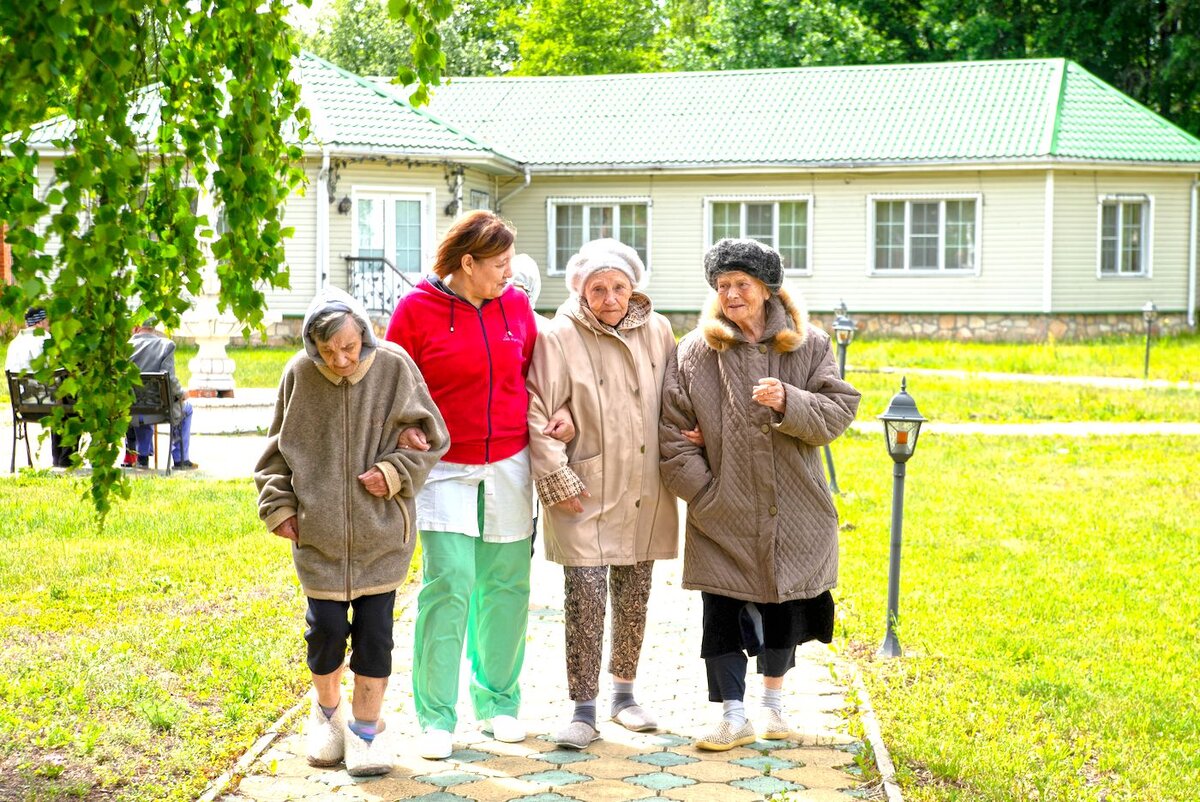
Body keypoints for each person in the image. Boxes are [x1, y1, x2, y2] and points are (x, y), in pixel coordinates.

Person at [659, 238, 861, 751]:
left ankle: (772, 707)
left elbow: (837, 415)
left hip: (796, 505)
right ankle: (732, 715)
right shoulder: (695, 352)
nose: (731, 294)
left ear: (768, 289)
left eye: (741, 285)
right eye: (722, 286)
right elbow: (670, 437)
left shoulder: (808, 344)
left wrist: (789, 401)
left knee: (784, 606)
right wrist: (706, 496)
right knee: (721, 611)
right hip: (721, 509)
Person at [255, 287, 449, 776]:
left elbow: (434, 439)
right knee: (323, 634)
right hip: (318, 539)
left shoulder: (394, 367)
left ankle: (366, 733)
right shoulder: (298, 375)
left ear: (363, 333)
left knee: (374, 638)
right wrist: (278, 508)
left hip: (382, 536)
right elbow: (275, 452)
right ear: (311, 347)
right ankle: (326, 718)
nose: (340, 360)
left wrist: (395, 471)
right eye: (327, 351)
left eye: (347, 346)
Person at [385, 210, 540, 761]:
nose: (508, 273)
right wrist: (404, 427)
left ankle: (499, 703)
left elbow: (534, 378)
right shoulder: (415, 311)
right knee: (449, 581)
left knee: (506, 587)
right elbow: (392, 385)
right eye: (498, 265)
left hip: (510, 464)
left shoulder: (517, 307)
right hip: (444, 468)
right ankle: (435, 716)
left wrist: (556, 419)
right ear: (466, 263)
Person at [526, 239, 679, 749]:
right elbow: (538, 410)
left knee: (635, 596)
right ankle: (583, 708)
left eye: (618, 287)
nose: (610, 297)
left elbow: (676, 398)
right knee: (585, 598)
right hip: (585, 489)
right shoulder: (559, 334)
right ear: (581, 290)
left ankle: (625, 696)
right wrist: (557, 477)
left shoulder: (658, 330)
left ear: (633, 287)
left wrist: (692, 433)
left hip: (644, 487)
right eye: (598, 288)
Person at [5, 307, 74, 467]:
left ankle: (58, 460)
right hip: (47, 406)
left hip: (22, 408)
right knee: (72, 404)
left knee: (60, 403)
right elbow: (55, 372)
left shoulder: (14, 344)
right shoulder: (45, 339)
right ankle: (64, 460)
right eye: (47, 321)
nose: (49, 325)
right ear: (40, 322)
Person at [124, 318, 198, 470]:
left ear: (138, 327)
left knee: (140, 406)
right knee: (186, 408)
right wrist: (182, 394)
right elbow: (169, 379)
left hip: (131, 409)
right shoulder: (166, 345)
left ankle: (142, 458)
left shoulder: (125, 348)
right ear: (154, 327)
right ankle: (180, 459)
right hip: (159, 409)